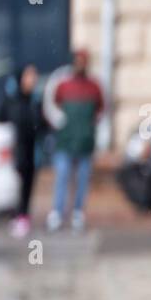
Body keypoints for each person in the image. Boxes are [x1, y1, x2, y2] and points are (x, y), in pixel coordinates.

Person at [45, 48, 104, 232]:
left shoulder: (94, 87)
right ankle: (57, 212)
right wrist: (59, 122)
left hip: (85, 143)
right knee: (62, 176)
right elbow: (52, 107)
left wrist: (92, 129)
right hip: (65, 141)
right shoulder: (63, 85)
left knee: (82, 180)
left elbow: (101, 110)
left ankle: (78, 212)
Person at [0, 64, 44, 237]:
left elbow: (41, 124)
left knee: (28, 184)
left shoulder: (35, 101)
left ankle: (23, 216)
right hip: (13, 152)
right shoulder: (9, 100)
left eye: (34, 76)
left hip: (31, 150)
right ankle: (14, 216)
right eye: (29, 76)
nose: (32, 80)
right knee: (14, 184)